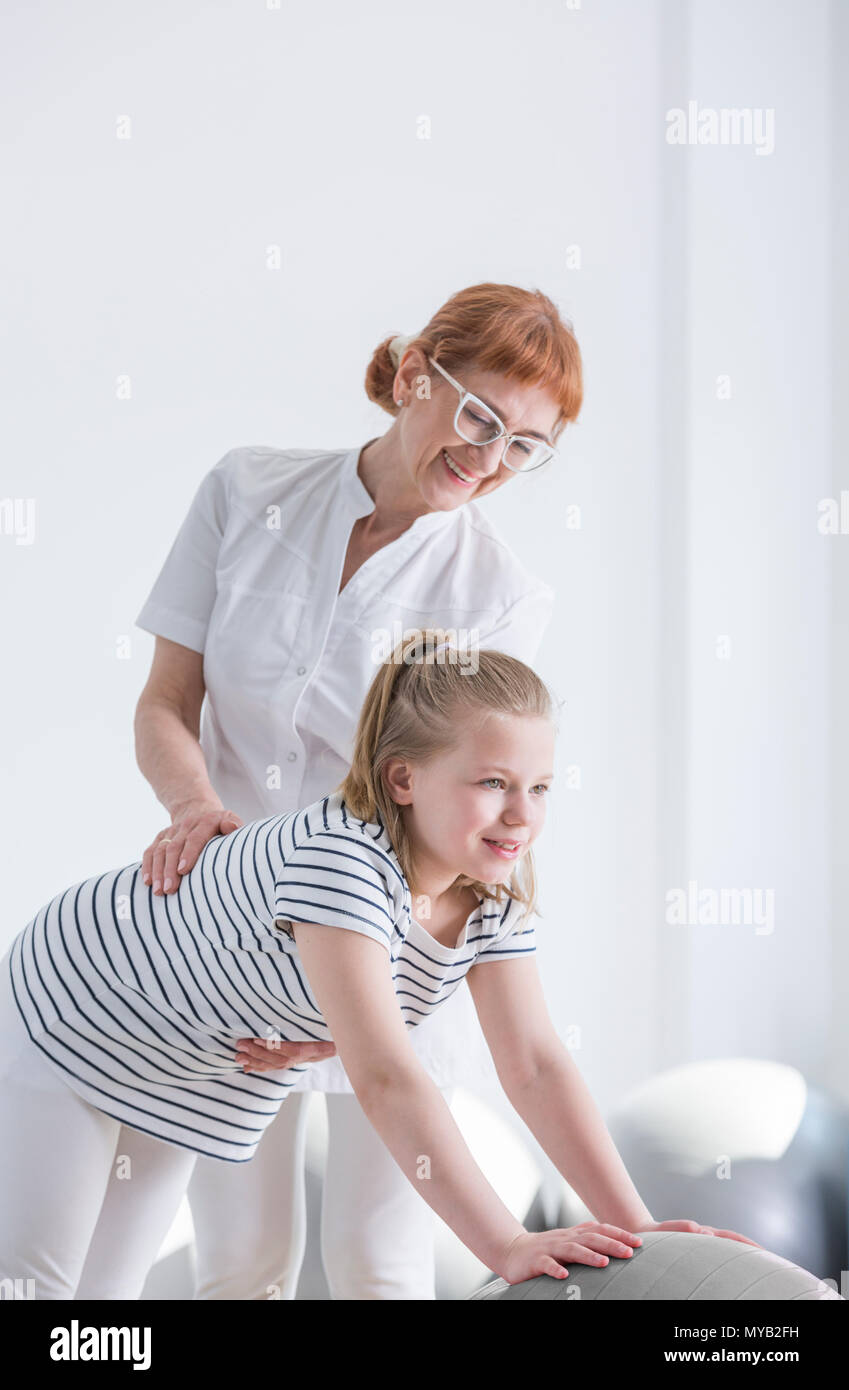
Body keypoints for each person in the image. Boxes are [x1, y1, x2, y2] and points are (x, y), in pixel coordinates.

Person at [0, 632, 760, 1301]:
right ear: (402, 780)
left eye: (538, 788)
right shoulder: (344, 865)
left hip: (189, 1063)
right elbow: (387, 1078)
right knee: (40, 1287)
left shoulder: (490, 894)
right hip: (72, 1011)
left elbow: (532, 1064)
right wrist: (506, 1246)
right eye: (492, 783)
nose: (521, 815)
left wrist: (638, 1227)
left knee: (102, 1300)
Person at [129, 281, 583, 1300]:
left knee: (379, 1263)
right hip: (227, 932)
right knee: (241, 1261)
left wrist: (363, 1011)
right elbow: (165, 702)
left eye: (523, 445)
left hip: (384, 952)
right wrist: (195, 804)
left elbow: (468, 825)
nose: (489, 457)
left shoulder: (499, 593)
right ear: (416, 371)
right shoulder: (246, 491)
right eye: (479, 416)